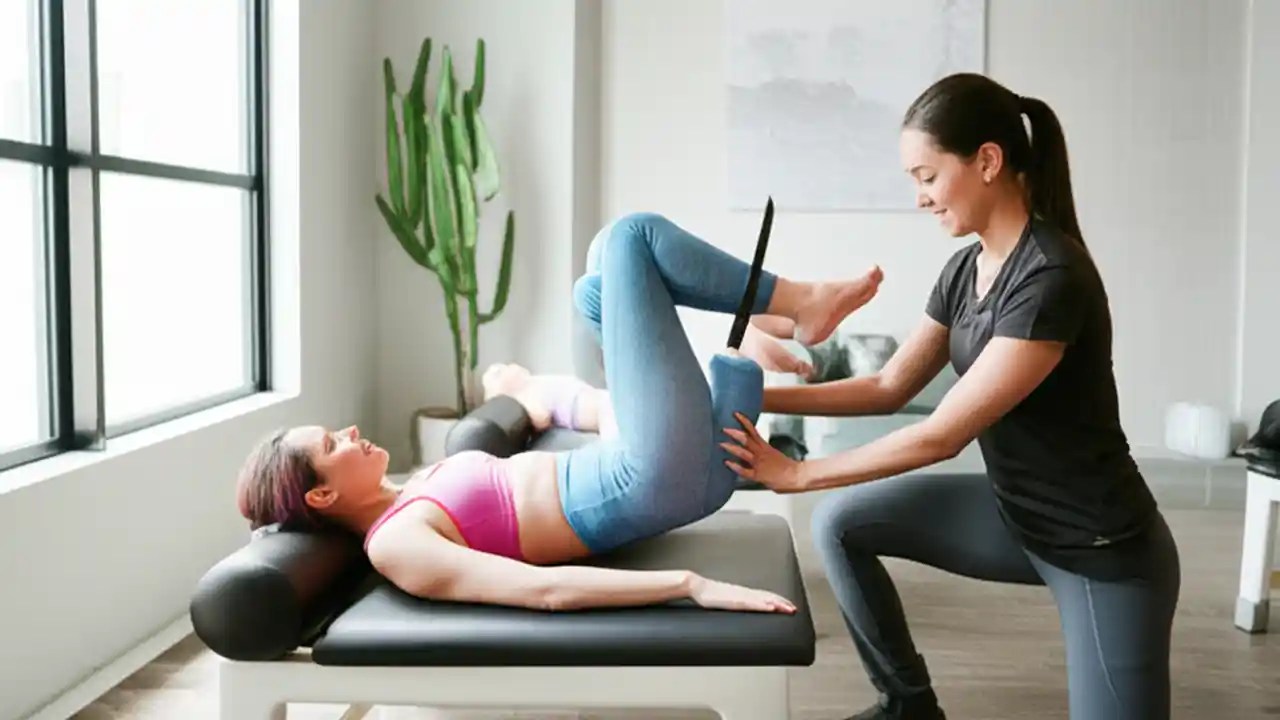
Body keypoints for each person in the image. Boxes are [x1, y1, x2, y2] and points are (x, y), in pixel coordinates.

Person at [721, 72, 1181, 720]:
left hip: (1101, 550)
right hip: (1015, 517)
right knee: (843, 524)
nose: (920, 199)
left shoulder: (1050, 278)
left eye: (927, 176)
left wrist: (800, 473)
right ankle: (907, 703)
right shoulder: (966, 269)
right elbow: (890, 386)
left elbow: (943, 433)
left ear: (988, 161)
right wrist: (758, 394)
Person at [235, 211, 882, 614]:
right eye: (331, 443)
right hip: (649, 477)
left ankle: (768, 323)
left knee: (597, 278)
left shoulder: (419, 485)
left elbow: (556, 414)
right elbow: (540, 590)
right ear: (320, 496)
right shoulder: (396, 544)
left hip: (651, 462)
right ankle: (797, 303)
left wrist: (525, 390)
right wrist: (690, 584)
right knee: (632, 236)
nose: (349, 432)